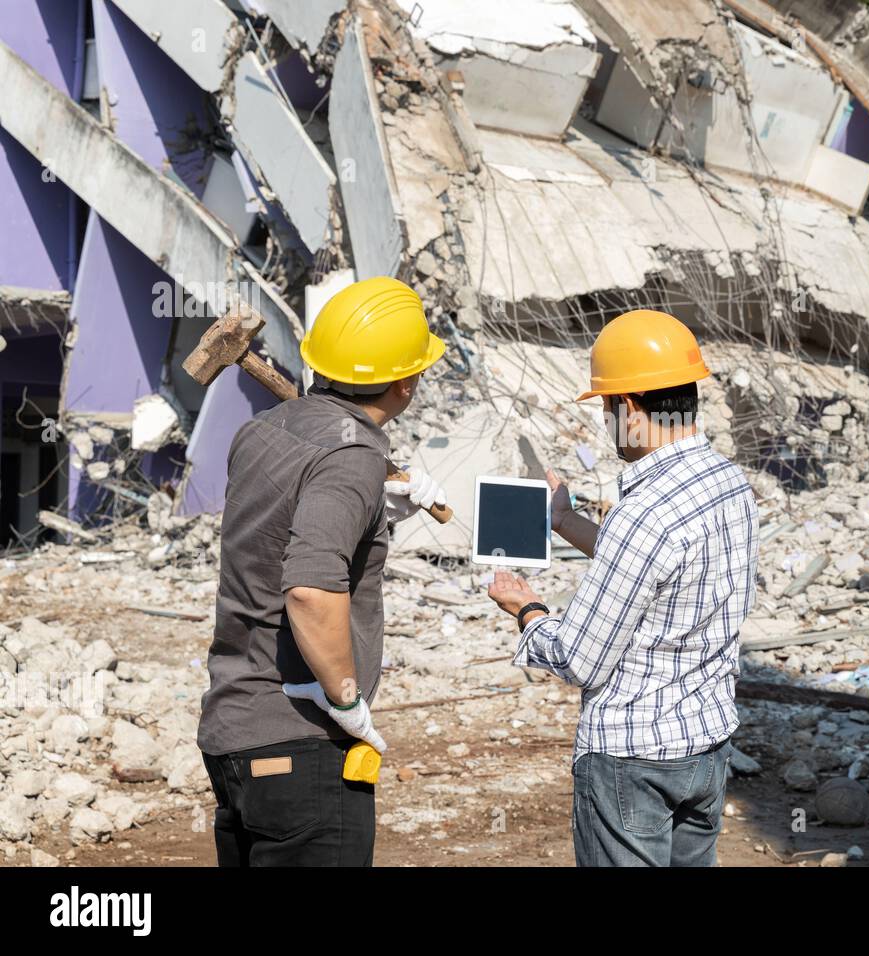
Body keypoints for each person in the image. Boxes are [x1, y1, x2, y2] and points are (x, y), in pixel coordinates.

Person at [487, 309, 759, 867]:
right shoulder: (728, 484)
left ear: (629, 407)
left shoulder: (645, 513)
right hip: (706, 749)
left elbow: (579, 659)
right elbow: (655, 565)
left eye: (608, 408)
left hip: (632, 760)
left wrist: (527, 610)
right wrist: (564, 521)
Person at [197, 276, 446, 866]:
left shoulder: (260, 433)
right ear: (407, 382)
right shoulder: (353, 455)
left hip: (234, 735)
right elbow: (310, 589)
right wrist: (345, 696)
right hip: (299, 745)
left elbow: (281, 527)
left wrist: (375, 511)